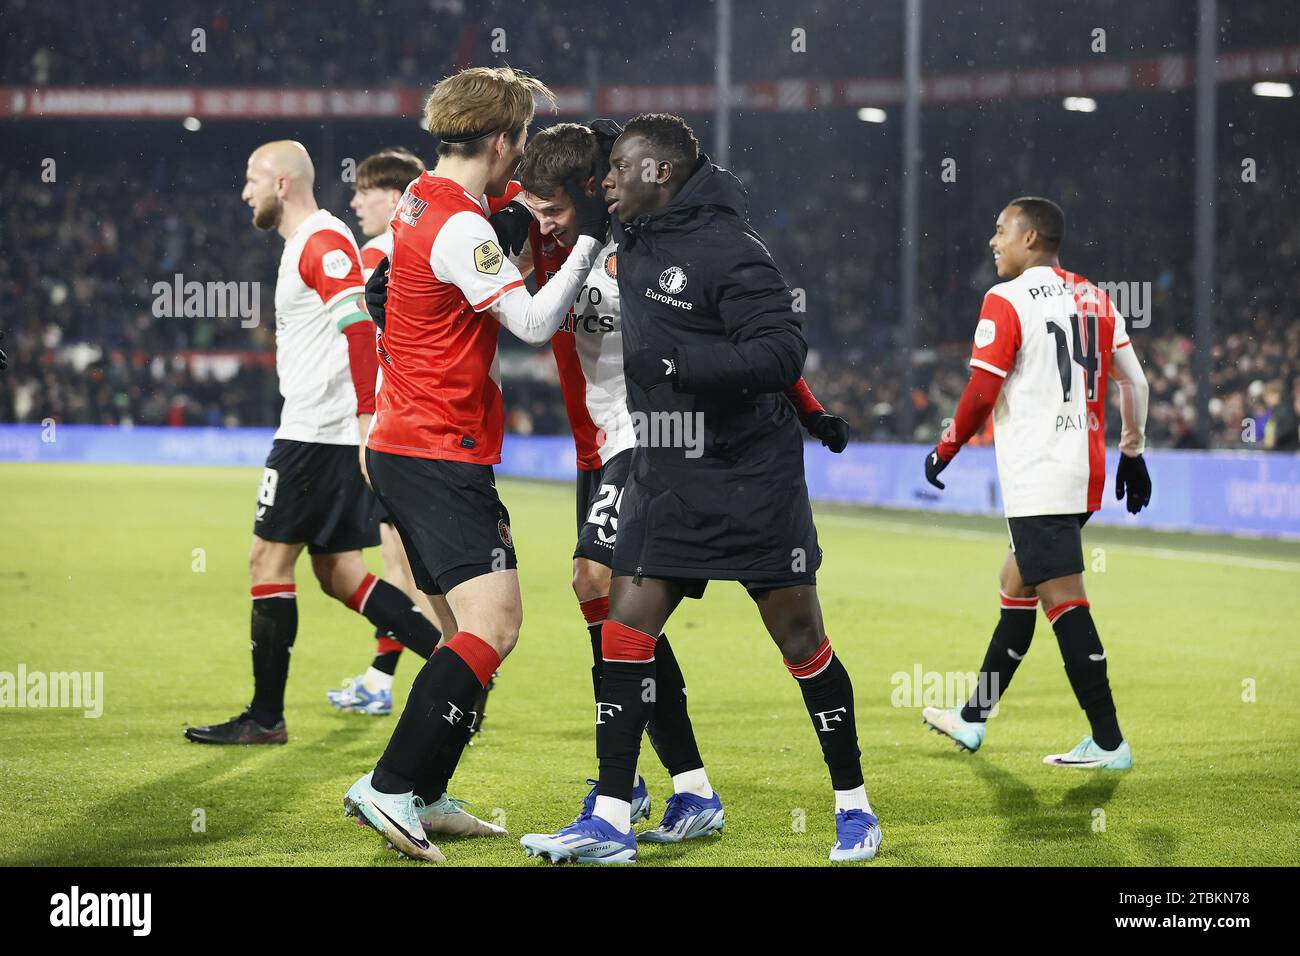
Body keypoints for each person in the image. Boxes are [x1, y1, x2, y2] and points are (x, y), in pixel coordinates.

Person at [519, 113, 881, 865]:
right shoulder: (625, 236)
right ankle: (615, 818)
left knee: (800, 639)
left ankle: (854, 807)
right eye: (606, 174)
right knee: (623, 629)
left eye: (623, 170)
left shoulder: (729, 249)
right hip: (665, 469)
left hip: (750, 474)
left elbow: (780, 348)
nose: (610, 182)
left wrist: (712, 380)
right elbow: (542, 197)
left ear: (662, 176)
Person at [340, 66, 611, 862]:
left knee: (461, 633)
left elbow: (464, 249)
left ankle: (423, 790)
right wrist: (587, 235)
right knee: (497, 625)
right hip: (438, 452)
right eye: (519, 143)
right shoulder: (459, 226)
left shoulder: (424, 195)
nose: (522, 160)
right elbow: (528, 322)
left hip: (406, 446)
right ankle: (389, 785)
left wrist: (512, 218)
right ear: (500, 140)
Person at [184, 141, 445, 745]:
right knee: (338, 571)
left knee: (266, 562)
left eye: (251, 179)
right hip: (324, 432)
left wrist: (361, 418)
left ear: (281, 183)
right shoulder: (312, 242)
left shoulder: (322, 242)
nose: (244, 191)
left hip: (315, 435)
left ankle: (266, 718)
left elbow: (358, 329)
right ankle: (457, 669)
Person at [920, 196, 1152, 770]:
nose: (992, 242)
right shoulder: (1096, 296)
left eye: (1001, 231)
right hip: (1083, 470)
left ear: (1031, 238)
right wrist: (1133, 453)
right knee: (1016, 581)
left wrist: (946, 447)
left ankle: (1108, 741)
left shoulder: (1006, 300)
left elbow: (980, 393)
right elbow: (1136, 382)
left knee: (1065, 599)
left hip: (1039, 475)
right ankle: (973, 718)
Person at [326, 146, 462, 718]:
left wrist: (364, 418)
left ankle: (456, 686)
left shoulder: (385, 251)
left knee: (405, 568)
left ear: (395, 195)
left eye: (365, 191)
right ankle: (388, 679)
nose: (355, 201)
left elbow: (365, 343)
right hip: (413, 425)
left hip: (397, 427)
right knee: (401, 566)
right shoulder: (411, 245)